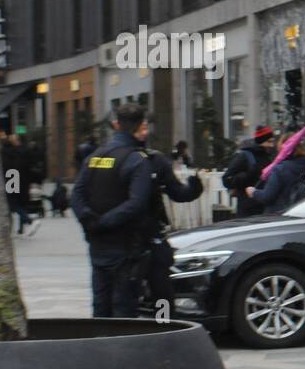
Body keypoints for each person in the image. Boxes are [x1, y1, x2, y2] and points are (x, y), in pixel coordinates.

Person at [71, 103, 154, 318]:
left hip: (97, 245)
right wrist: (105, 221)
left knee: (100, 307)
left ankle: (100, 348)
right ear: (139, 126)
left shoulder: (95, 157)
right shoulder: (138, 160)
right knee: (124, 310)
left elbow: (76, 195)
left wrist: (89, 220)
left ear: (117, 124)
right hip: (125, 246)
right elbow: (136, 204)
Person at [141, 145, 205, 316]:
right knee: (160, 288)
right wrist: (194, 184)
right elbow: (179, 193)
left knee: (151, 289)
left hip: (124, 238)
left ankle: (158, 323)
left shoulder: (106, 156)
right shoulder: (154, 160)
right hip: (150, 237)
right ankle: (164, 324)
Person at [246, 138, 305, 214]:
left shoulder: (279, 169)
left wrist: (254, 192)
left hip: (279, 216)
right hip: (303, 214)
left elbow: (267, 196)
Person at [222, 125, 276, 217]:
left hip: (265, 208)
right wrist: (246, 176)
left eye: (272, 141)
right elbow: (227, 179)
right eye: (269, 141)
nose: (272, 145)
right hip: (247, 210)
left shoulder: (269, 157)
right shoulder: (244, 156)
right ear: (261, 141)